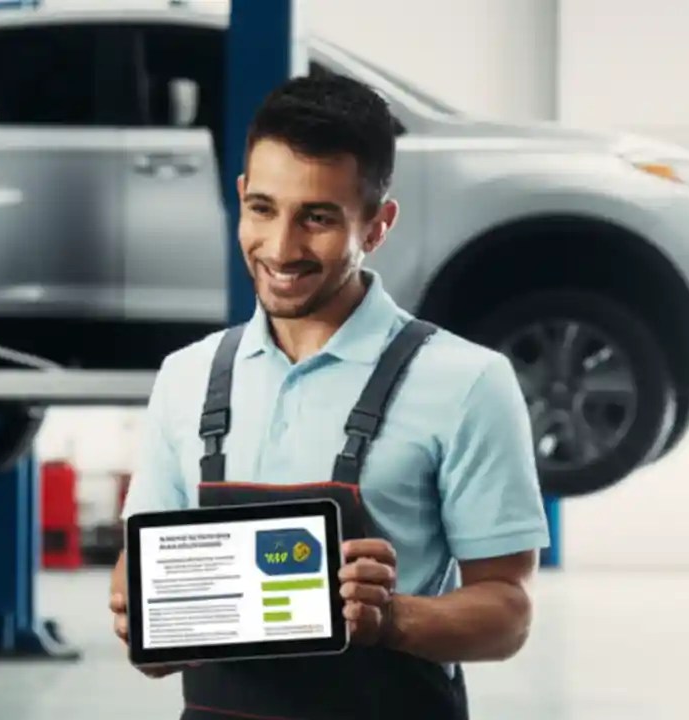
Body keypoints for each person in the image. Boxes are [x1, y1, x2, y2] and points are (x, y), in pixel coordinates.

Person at [108, 73, 550, 719]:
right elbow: (138, 565)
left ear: (377, 225)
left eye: (317, 218)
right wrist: (146, 619)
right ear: (240, 198)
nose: (281, 249)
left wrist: (391, 619)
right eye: (262, 208)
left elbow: (507, 611)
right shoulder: (187, 376)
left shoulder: (467, 382)